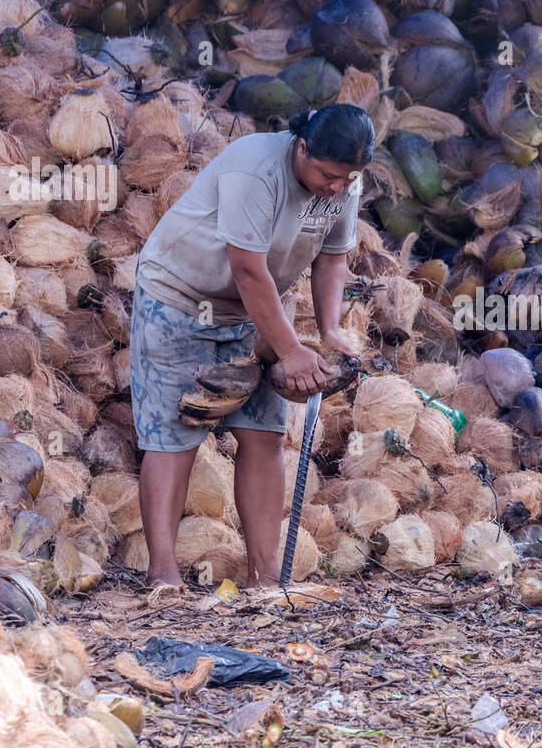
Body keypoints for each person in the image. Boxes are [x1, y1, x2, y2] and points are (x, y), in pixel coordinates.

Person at [129, 103, 374, 589]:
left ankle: (266, 579)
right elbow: (247, 268)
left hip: (251, 311)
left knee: (262, 434)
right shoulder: (255, 169)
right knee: (175, 436)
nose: (337, 188)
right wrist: (288, 350)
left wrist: (328, 330)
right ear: (301, 147)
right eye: (329, 175)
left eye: (349, 179)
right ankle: (163, 574)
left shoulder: (343, 182)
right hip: (179, 299)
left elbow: (331, 257)